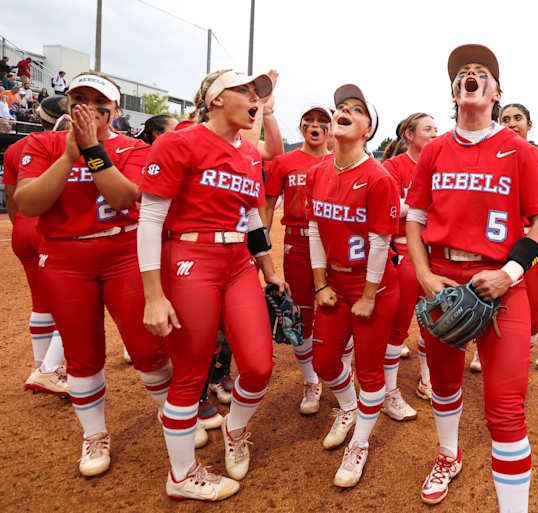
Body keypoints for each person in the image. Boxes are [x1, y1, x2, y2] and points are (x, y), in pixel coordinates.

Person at [406, 44, 538, 512]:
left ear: (496, 92)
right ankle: (448, 455)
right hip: (444, 280)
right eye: (463, 72)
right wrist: (425, 275)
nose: (470, 75)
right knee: (445, 385)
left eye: (481, 72)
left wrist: (510, 273)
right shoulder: (433, 150)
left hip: (501, 285)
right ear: (454, 91)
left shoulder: (520, 151)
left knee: (506, 408)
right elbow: (413, 218)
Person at [14, 72, 173, 478]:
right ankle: (94, 434)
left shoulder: (135, 148)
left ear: (114, 109)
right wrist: (69, 156)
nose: (86, 107)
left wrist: (92, 150)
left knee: (148, 347)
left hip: (122, 251)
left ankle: (172, 415)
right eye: (78, 98)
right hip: (66, 257)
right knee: (82, 355)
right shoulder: (41, 143)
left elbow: (122, 198)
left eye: (96, 100)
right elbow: (28, 203)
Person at [138, 69, 284, 501]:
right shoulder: (178, 142)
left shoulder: (245, 154)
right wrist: (153, 294)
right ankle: (181, 476)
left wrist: (270, 269)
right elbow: (149, 219)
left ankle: (235, 429)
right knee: (190, 373)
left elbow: (252, 217)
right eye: (244, 89)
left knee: (259, 366)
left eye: (256, 91)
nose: (254, 97)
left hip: (239, 262)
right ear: (216, 99)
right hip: (190, 258)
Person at [306, 84, 401, 488]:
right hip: (335, 282)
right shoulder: (318, 171)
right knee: (325, 363)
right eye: (341, 107)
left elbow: (381, 243)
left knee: (369, 370)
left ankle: (359, 443)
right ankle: (348, 409)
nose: (344, 111)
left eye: (356, 110)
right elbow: (314, 229)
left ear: (367, 129)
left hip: (373, 287)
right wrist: (319, 284)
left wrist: (366, 295)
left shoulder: (379, 178)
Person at [263, 103, 334, 415]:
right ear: (302, 127)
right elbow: (267, 205)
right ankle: (311, 380)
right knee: (300, 314)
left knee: (337, 312)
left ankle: (338, 375)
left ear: (330, 129)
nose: (316, 125)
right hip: (298, 243)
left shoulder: (341, 161)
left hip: (335, 244)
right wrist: (261, 246)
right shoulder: (284, 162)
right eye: (310, 120)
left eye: (322, 121)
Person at [4, 95, 70, 396]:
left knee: (40, 301)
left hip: (23, 228)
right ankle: (48, 368)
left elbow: (12, 195)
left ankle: (41, 364)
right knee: (73, 302)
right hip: (50, 228)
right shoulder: (70, 142)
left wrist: (20, 225)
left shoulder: (18, 147)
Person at [494, 103, 538, 371]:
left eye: (517, 118)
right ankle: (486, 352)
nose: (511, 123)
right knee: (492, 301)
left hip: (532, 241)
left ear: (529, 124)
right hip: (497, 241)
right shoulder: (491, 154)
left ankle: (522, 357)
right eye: (505, 118)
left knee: (533, 309)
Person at [381, 112, 437, 412]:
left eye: (436, 129)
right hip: (403, 252)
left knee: (434, 323)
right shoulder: (394, 166)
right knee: (399, 325)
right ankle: (389, 392)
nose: (434, 133)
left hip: (435, 254)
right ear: (410, 135)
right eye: (428, 129)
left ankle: (428, 379)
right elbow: (385, 208)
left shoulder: (441, 165)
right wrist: (421, 207)